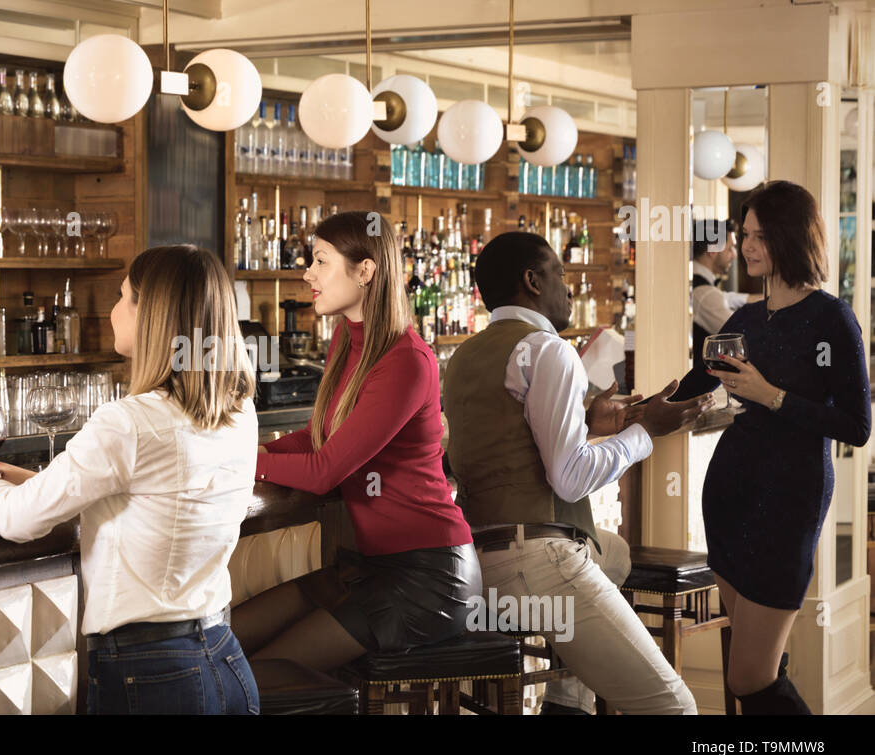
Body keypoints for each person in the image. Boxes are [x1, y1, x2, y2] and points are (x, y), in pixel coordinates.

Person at [0, 245, 260, 715]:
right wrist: (7, 473)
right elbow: (122, 488)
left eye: (123, 297)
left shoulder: (129, 422)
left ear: (151, 315)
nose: (112, 310)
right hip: (226, 661)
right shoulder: (239, 412)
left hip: (153, 675)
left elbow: (20, 520)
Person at [444, 231, 714, 715]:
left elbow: (505, 438)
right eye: (560, 275)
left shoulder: (463, 357)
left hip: (473, 565)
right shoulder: (551, 350)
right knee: (675, 705)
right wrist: (644, 432)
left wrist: (589, 420)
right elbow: (569, 478)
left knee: (613, 553)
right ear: (531, 281)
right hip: (535, 563)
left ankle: (566, 701)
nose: (569, 289)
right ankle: (569, 696)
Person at [230, 211, 480, 673]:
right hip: (369, 566)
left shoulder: (406, 360)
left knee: (262, 675)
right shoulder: (347, 340)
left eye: (321, 261)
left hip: (429, 578)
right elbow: (319, 438)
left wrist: (241, 459)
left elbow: (326, 470)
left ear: (365, 271)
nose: (307, 273)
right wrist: (261, 453)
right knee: (226, 639)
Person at [671, 181, 871, 714]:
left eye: (759, 235)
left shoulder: (832, 319)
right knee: (757, 668)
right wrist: (632, 411)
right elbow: (694, 382)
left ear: (789, 236)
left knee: (749, 676)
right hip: (730, 494)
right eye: (743, 234)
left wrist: (772, 396)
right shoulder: (744, 320)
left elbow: (856, 425)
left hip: (788, 500)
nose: (746, 246)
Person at [691, 218, 760, 373]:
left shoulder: (701, 287)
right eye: (730, 248)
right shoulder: (704, 295)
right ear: (713, 250)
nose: (734, 255)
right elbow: (741, 340)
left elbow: (729, 298)